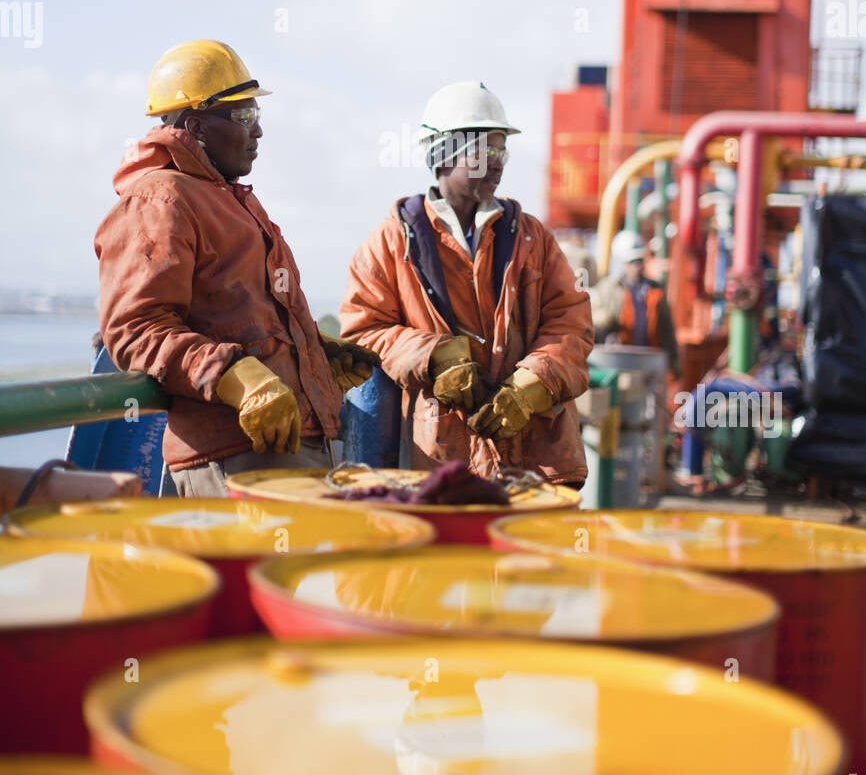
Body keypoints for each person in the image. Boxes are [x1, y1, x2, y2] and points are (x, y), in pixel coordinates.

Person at [94, 39, 377, 496]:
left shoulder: (226, 197)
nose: (258, 131)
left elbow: (235, 310)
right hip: (235, 455)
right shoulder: (161, 198)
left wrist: (310, 353)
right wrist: (237, 377)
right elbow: (135, 327)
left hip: (283, 443)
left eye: (256, 115)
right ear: (196, 126)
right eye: (244, 116)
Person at [340, 81, 593, 484]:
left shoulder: (533, 238)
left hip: (538, 463)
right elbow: (363, 330)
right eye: (485, 150)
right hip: (445, 459)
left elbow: (571, 323)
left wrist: (532, 386)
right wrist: (433, 356)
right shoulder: (389, 244)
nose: (498, 163)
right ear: (443, 154)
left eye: (501, 150)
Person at [591, 229, 680, 377]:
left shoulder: (655, 290)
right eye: (632, 262)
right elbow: (595, 325)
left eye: (639, 261)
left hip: (651, 364)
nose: (637, 266)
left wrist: (674, 362)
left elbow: (667, 328)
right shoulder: (608, 289)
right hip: (620, 364)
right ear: (623, 262)